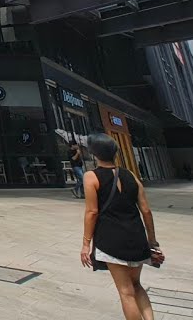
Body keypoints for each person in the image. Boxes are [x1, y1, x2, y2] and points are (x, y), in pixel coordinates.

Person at [81, 133, 164, 320]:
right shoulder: (130, 175)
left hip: (111, 239)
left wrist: (86, 244)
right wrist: (152, 242)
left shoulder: (91, 177)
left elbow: (91, 212)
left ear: (95, 154)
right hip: (137, 237)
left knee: (126, 292)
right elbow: (146, 211)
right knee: (137, 286)